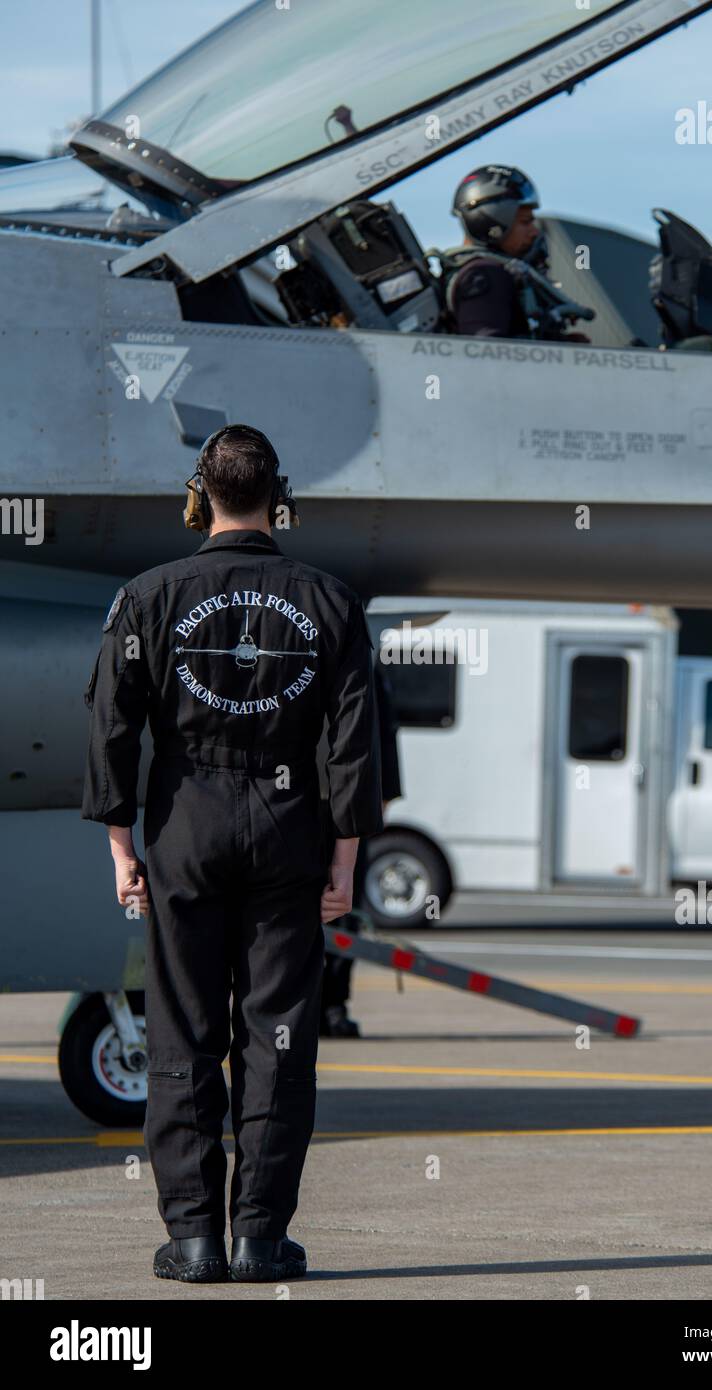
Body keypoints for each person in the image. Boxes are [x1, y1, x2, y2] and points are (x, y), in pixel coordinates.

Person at [81, 424, 382, 1284]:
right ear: (277, 492)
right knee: (278, 1034)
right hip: (289, 825)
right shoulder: (329, 601)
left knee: (183, 1028)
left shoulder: (149, 597)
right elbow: (355, 744)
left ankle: (194, 1240)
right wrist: (345, 859)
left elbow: (110, 729)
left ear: (199, 491)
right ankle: (259, 1237)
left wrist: (120, 847)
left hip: (184, 825)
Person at [318, 658, 403, 1038]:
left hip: (339, 808)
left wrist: (377, 803)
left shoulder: (362, 670)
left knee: (341, 913)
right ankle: (310, 1007)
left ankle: (332, 1003)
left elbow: (381, 737)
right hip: (299, 804)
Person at [441, 164, 593, 341]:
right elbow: (485, 355)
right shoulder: (484, 276)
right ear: (491, 223)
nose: (534, 232)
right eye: (525, 222)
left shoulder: (494, 272)